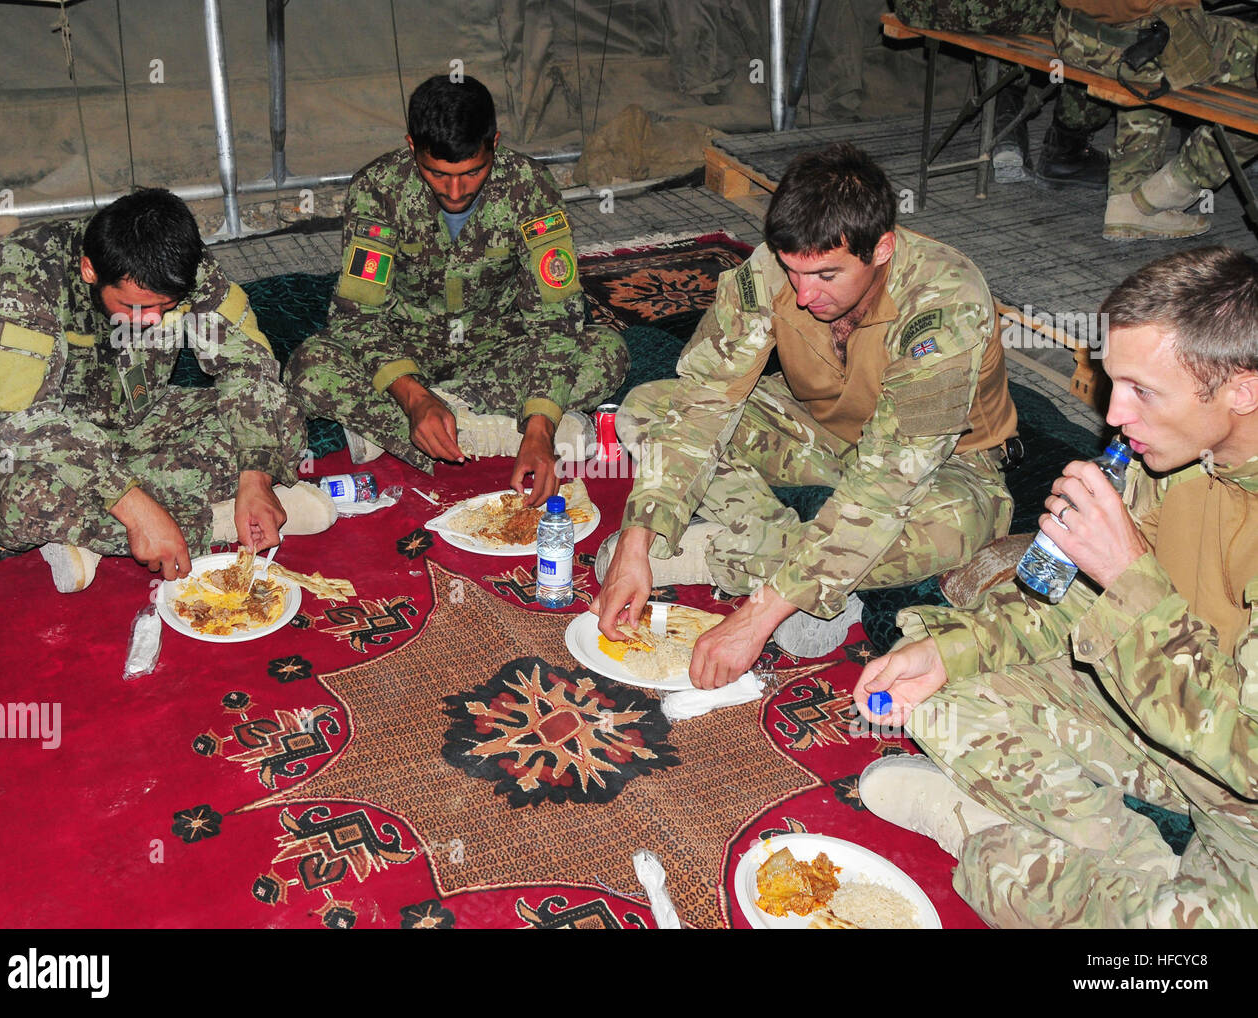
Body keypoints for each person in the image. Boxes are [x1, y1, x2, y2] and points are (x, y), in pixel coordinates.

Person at [855, 246, 1258, 927]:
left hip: (1241, 796)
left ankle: (994, 844)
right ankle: (1133, 869)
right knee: (932, 693)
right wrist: (951, 650)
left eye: (1142, 392)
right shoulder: (1172, 457)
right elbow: (1066, 605)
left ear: (1241, 389)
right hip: (1145, 711)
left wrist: (1131, 578)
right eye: (1113, 382)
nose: (1114, 414)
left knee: (1113, 936)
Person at [592, 142, 1019, 689]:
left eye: (825, 277)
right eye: (793, 272)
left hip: (944, 469)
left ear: (882, 249)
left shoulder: (944, 303)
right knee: (652, 407)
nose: (803, 293)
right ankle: (813, 575)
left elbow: (888, 485)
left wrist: (757, 616)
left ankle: (733, 559)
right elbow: (704, 400)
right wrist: (638, 537)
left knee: (952, 530)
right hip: (813, 432)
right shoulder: (779, 265)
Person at [284, 75, 629, 508]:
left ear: (495, 145)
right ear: (412, 147)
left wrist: (539, 427)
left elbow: (556, 319)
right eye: (437, 173)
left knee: (606, 350)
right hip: (404, 358)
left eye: (472, 172)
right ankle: (498, 432)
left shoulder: (530, 188)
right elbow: (357, 318)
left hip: (498, 357)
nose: (455, 191)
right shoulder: (378, 190)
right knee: (307, 366)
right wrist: (412, 396)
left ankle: (420, 430)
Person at [0, 188, 332, 593]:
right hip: (49, 445)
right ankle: (215, 521)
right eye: (136, 307)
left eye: (165, 307)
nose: (151, 320)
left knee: (280, 413)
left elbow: (248, 366)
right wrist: (133, 507)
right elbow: (20, 419)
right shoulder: (26, 271)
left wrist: (257, 477)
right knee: (14, 502)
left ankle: (87, 536)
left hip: (141, 421)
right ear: (90, 270)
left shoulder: (178, 263)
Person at [1054, 0, 1258, 240]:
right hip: (1140, 45)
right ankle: (1175, 185)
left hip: (1072, 34)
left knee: (1153, 53)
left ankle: (1125, 199)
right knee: (1240, 49)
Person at [895, 0, 1111, 188]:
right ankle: (1068, 146)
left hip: (915, 6)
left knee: (1002, 15)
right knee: (1097, 18)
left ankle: (1006, 117)